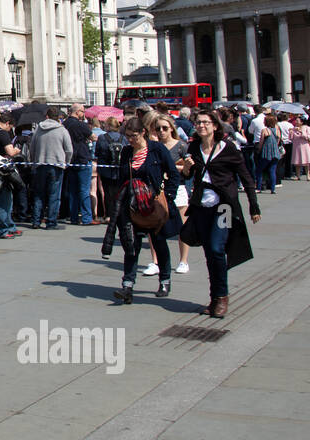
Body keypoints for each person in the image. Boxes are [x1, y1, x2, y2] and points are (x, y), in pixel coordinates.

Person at [181, 110, 261, 319]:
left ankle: (222, 297)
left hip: (224, 206)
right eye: (198, 123)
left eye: (205, 122)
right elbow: (188, 175)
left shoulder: (228, 148)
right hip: (201, 206)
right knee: (209, 252)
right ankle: (214, 297)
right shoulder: (194, 148)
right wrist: (187, 170)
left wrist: (254, 205)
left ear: (215, 126)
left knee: (217, 249)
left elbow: (246, 176)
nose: (201, 126)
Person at [107, 116, 182, 303]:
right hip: (131, 206)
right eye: (127, 136)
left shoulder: (157, 150)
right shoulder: (126, 152)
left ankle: (164, 279)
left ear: (143, 133)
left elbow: (173, 174)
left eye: (133, 136)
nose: (130, 140)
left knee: (159, 242)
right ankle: (127, 285)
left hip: (152, 206)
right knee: (131, 245)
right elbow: (121, 177)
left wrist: (168, 196)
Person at [148, 112, 193, 276]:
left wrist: (179, 168)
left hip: (178, 187)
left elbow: (189, 170)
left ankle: (183, 260)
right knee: (153, 226)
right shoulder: (152, 146)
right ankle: (155, 261)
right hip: (157, 189)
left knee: (182, 225)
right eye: (158, 128)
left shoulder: (181, 145)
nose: (161, 131)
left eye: (165, 128)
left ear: (171, 129)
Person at [27, 107, 72, 229]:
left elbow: (32, 147)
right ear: (58, 117)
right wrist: (66, 163)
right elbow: (69, 150)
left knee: (39, 194)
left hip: (40, 163)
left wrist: (33, 161)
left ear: (47, 116)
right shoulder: (62, 130)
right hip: (56, 164)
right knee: (54, 195)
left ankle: (36, 221)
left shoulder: (39, 129)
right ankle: (51, 222)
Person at [61, 104, 95, 227]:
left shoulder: (64, 124)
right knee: (84, 190)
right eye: (83, 111)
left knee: (73, 191)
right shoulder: (81, 125)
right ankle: (86, 218)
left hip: (70, 159)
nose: (84, 114)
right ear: (78, 112)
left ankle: (74, 217)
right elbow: (93, 136)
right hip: (82, 158)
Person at [290, 114, 310, 181]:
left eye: (298, 120)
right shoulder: (293, 128)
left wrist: (301, 132)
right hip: (296, 146)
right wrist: (291, 132)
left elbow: (309, 137)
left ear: (302, 122)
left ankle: (308, 175)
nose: (296, 122)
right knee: (297, 161)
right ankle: (298, 175)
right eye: (296, 120)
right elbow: (291, 138)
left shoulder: (307, 128)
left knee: (306, 161)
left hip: (305, 146)